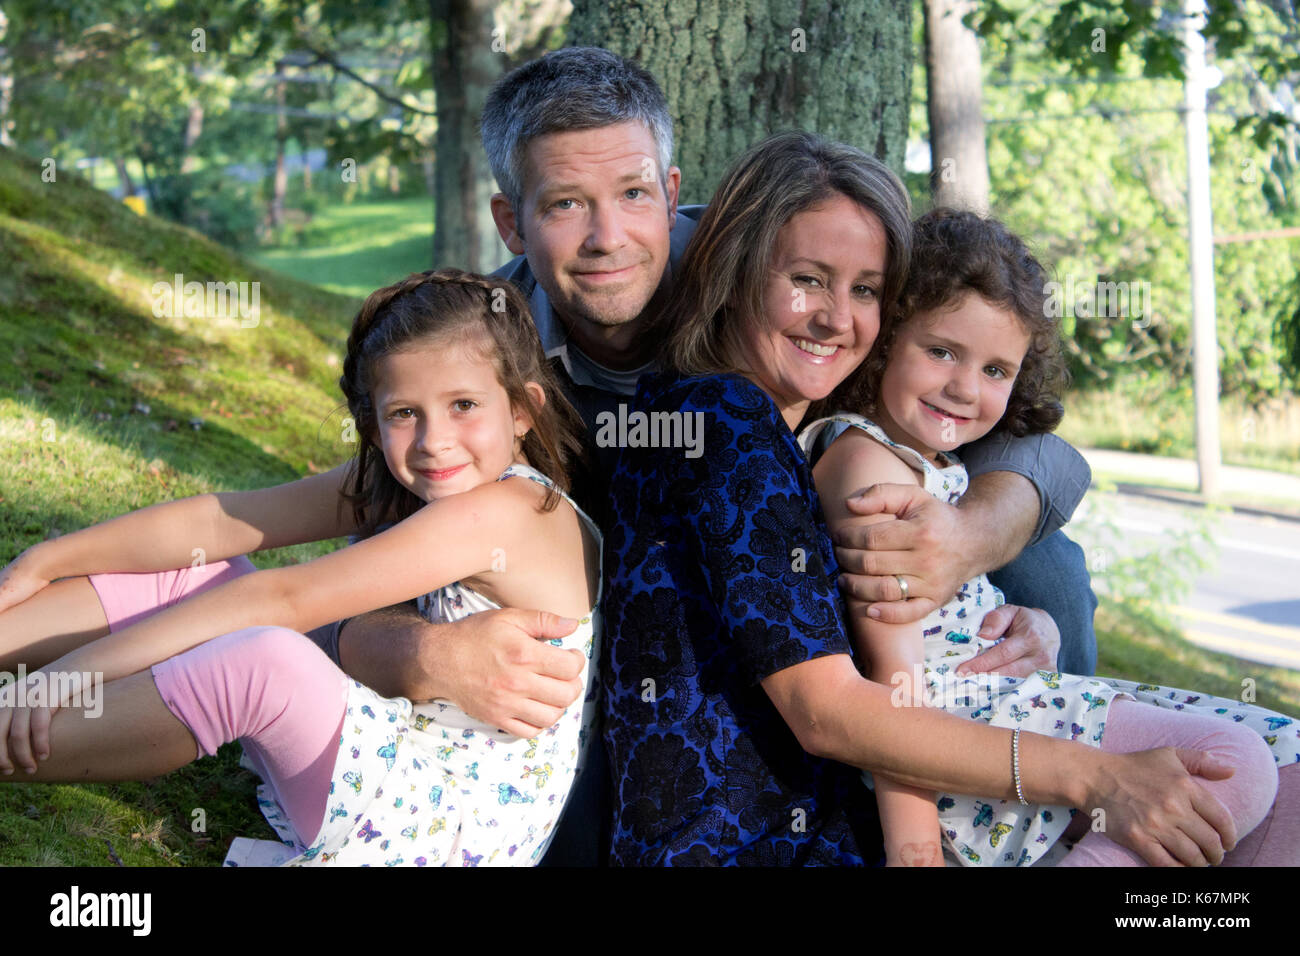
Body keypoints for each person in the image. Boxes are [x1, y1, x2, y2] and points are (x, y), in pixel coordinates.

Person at [602, 129, 1258, 866]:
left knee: (1250, 784)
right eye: (807, 280)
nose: (837, 318)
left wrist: (1020, 625)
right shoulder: (719, 419)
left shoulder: (796, 433)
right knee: (1234, 770)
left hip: (840, 814)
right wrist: (1100, 780)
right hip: (755, 845)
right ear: (735, 271)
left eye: (866, 291)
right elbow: (829, 711)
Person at [0, 270, 603, 867]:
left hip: (441, 833)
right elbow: (220, 524)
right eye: (403, 413)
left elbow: (284, 600)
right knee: (198, 573)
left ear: (523, 409)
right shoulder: (429, 480)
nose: (433, 440)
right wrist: (47, 559)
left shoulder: (508, 510)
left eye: (464, 405)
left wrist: (69, 674)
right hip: (386, 764)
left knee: (267, 659)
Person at [801, 208, 1299, 867]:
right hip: (970, 729)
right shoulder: (871, 466)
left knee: (1288, 759)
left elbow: (1058, 465)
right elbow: (899, 693)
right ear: (888, 338)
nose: (963, 388)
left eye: (995, 371)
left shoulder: (923, 459)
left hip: (1017, 701)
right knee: (1235, 766)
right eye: (942, 351)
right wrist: (915, 851)